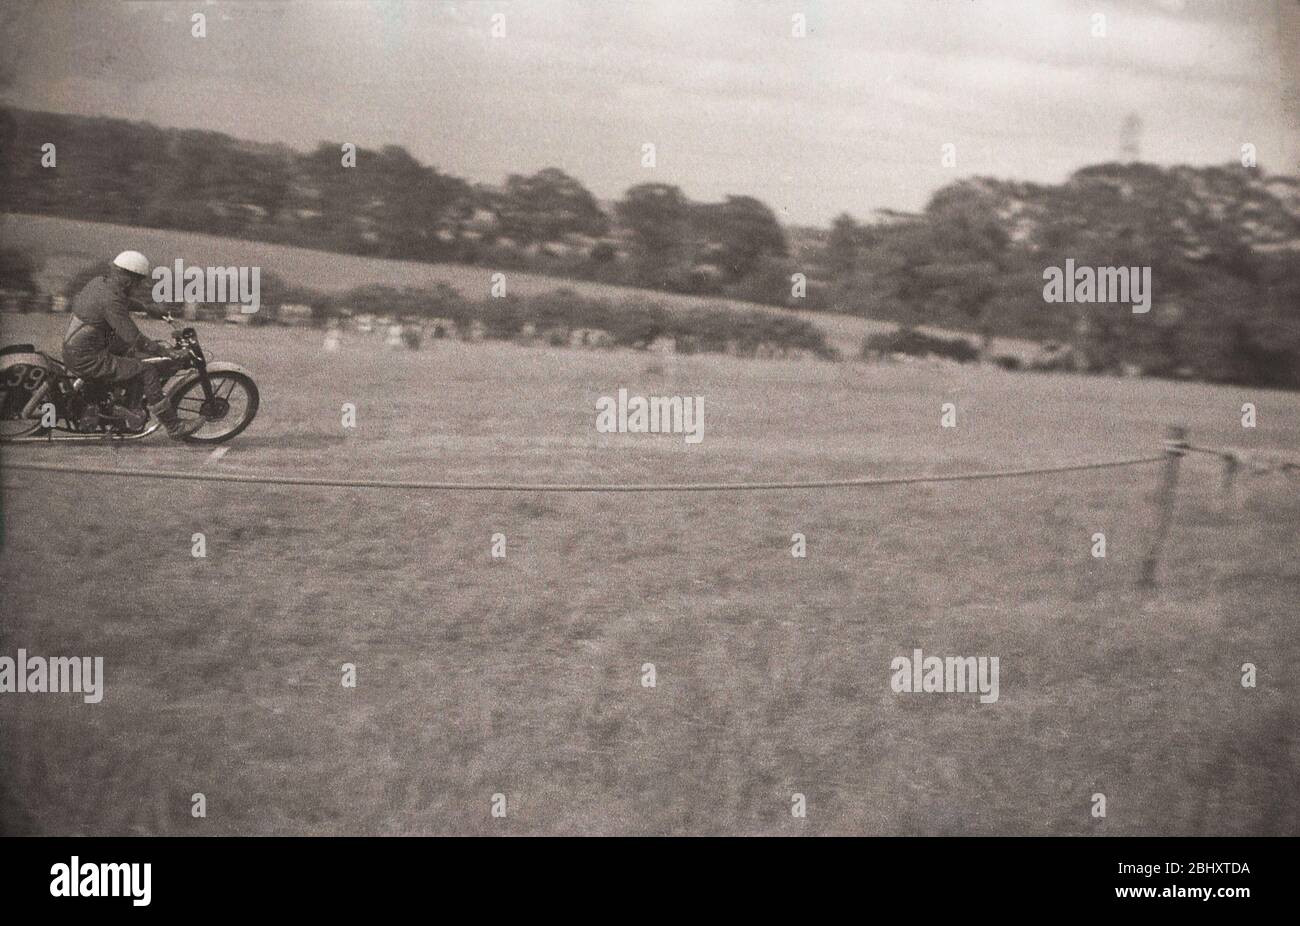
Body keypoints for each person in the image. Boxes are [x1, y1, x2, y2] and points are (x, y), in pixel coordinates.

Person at [62, 251, 203, 439]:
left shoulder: (100, 283)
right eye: (138, 282)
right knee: (147, 370)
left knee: (136, 358)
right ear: (129, 280)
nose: (138, 286)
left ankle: (129, 405)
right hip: (88, 357)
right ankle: (174, 427)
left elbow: (123, 301)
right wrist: (166, 351)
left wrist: (146, 308)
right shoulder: (110, 300)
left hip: (86, 347)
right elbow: (133, 337)